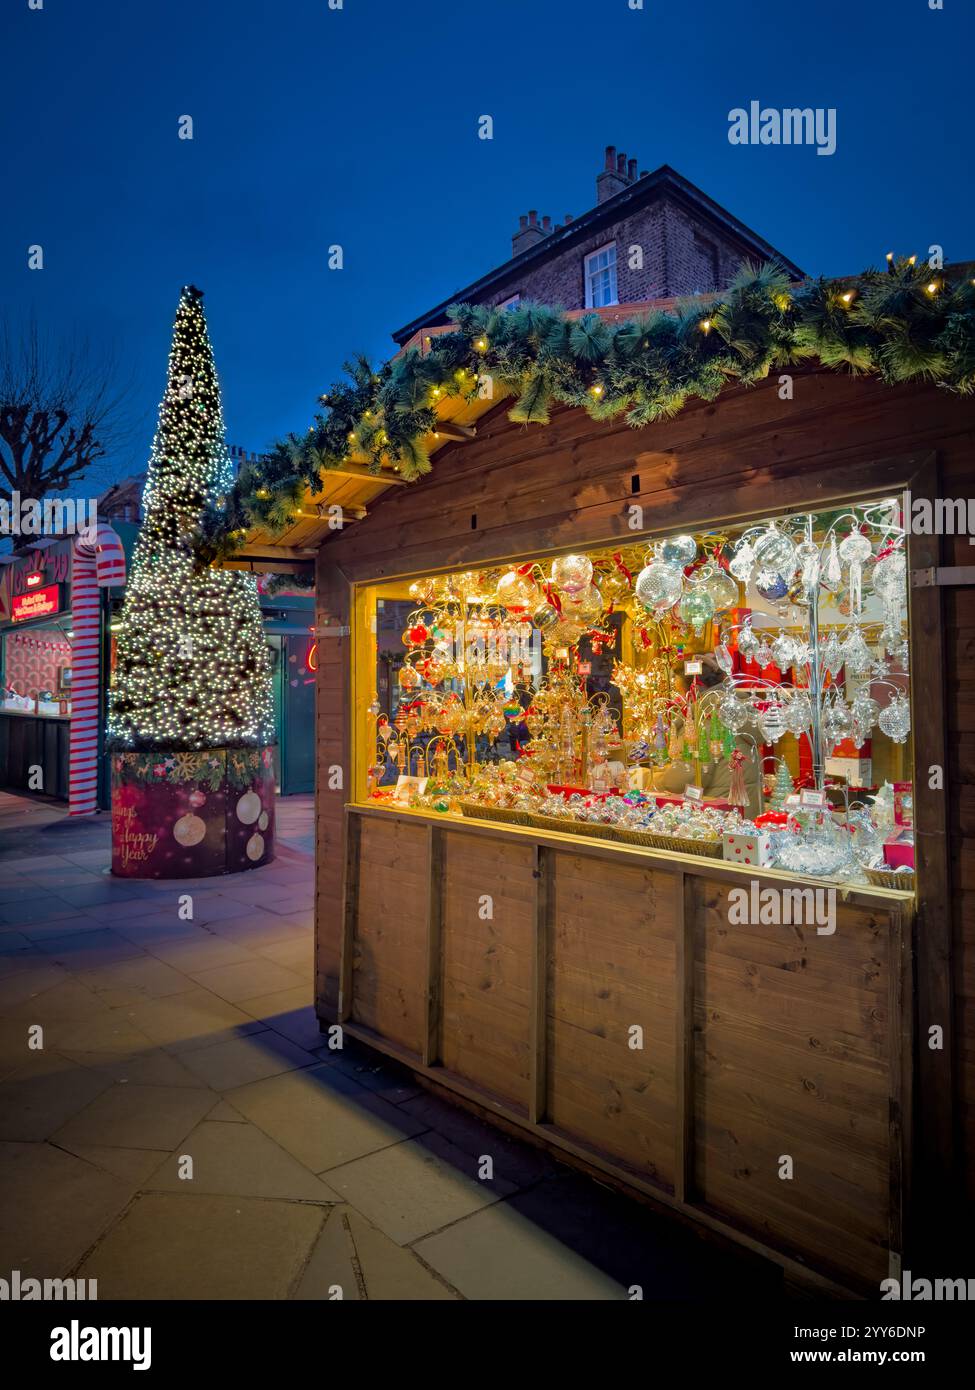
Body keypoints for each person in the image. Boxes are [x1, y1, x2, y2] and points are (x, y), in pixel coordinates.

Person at [648, 658, 763, 819]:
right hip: (741, 809)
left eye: (681, 691)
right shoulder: (734, 708)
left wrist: (652, 778)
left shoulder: (707, 716)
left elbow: (688, 775)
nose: (680, 698)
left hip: (719, 814)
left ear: (694, 688)